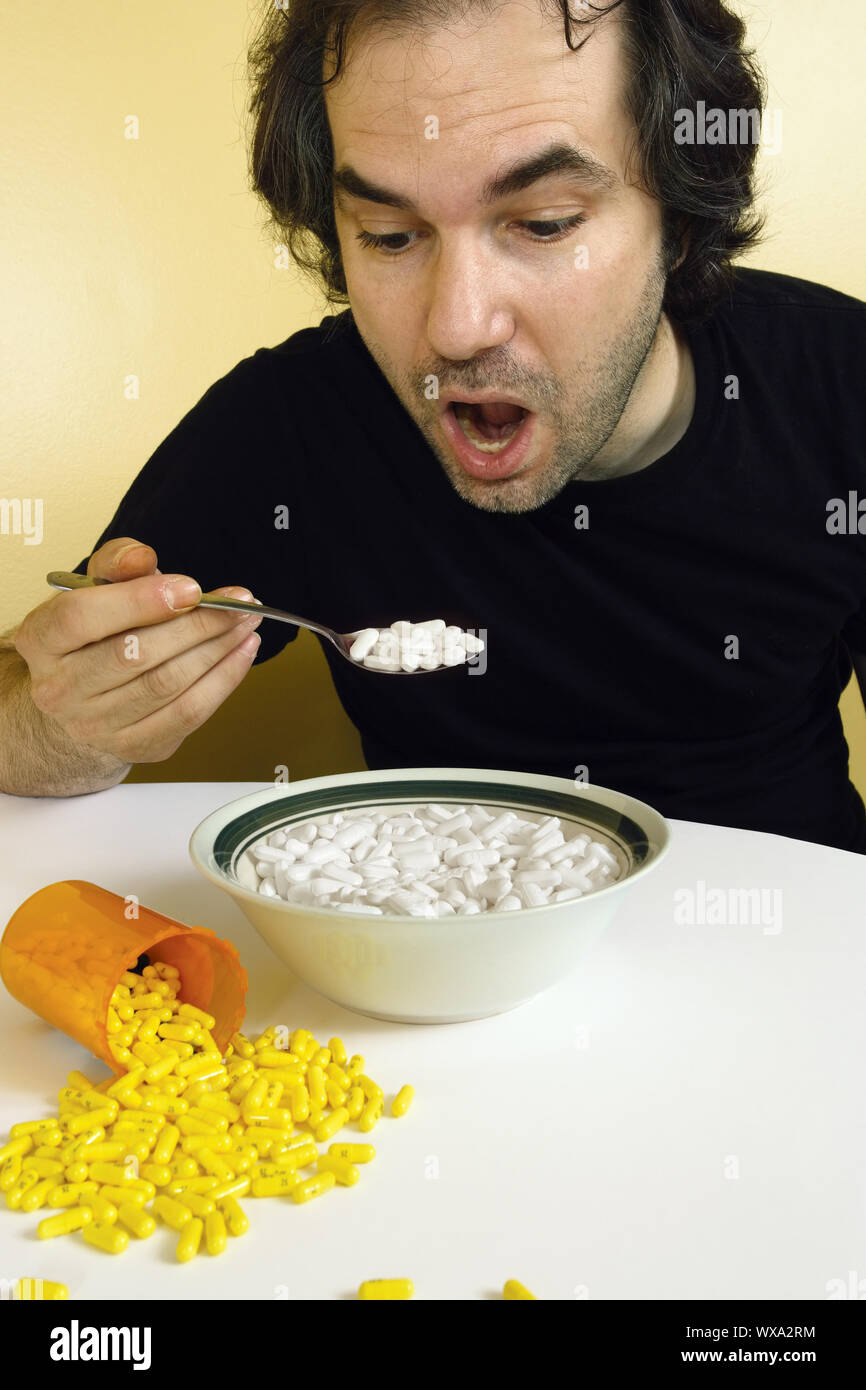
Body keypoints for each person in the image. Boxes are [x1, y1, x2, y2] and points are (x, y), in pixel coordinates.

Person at [2, 0, 864, 853]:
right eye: (388, 235)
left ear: (680, 219)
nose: (456, 327)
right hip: (437, 960)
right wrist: (76, 719)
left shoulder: (839, 379)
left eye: (543, 223)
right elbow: (21, 710)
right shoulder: (294, 421)